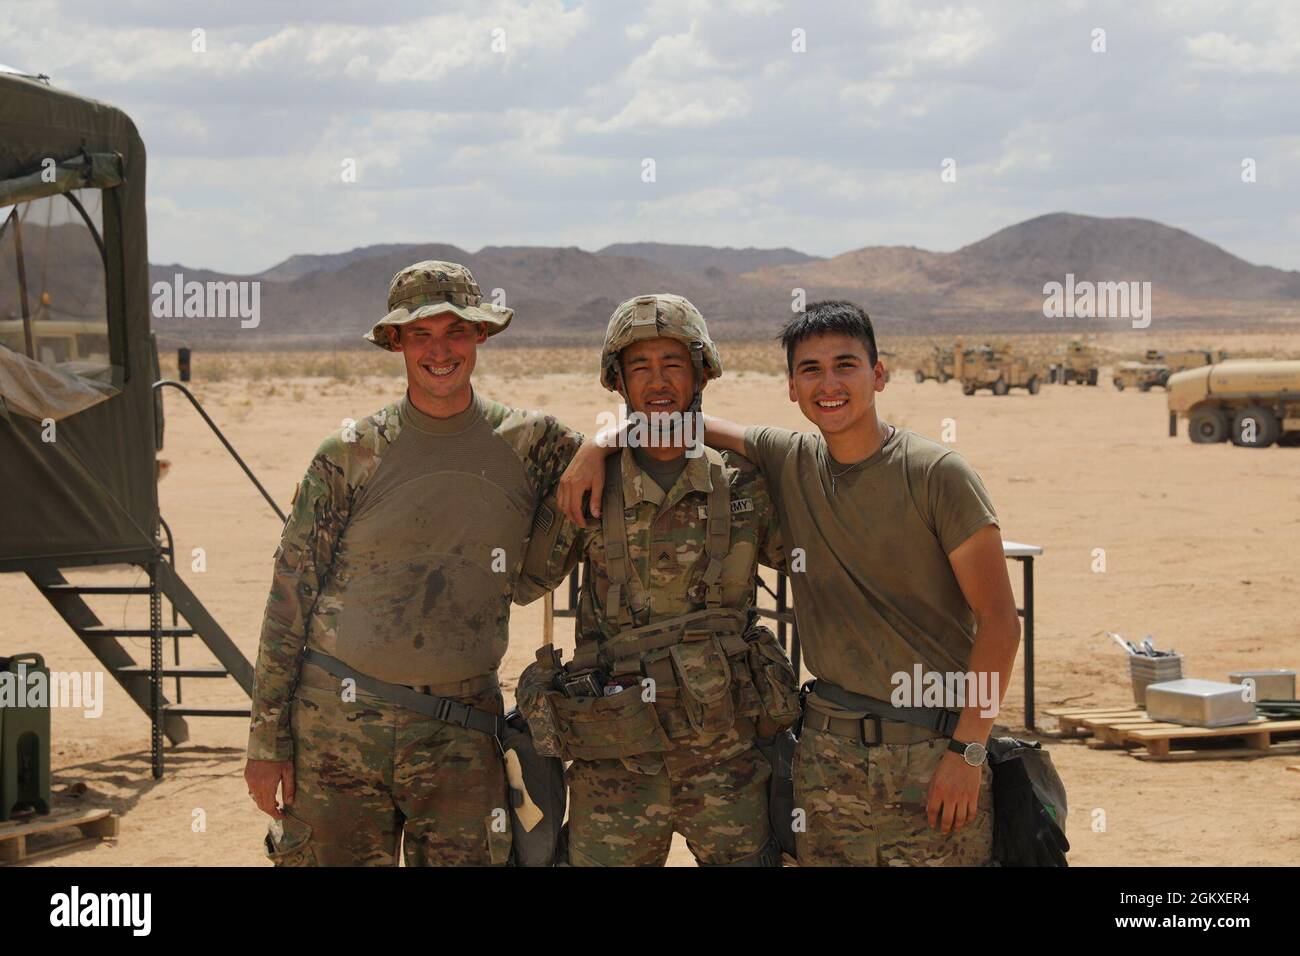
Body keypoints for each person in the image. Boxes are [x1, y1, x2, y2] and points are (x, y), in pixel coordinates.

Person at [558, 300, 1020, 866]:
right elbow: (676, 418)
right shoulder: (791, 460)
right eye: (811, 371)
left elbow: (1000, 622)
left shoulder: (936, 474)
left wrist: (969, 751)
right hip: (828, 758)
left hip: (930, 750)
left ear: (879, 374)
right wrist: (598, 443)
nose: (829, 385)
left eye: (845, 365)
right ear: (792, 389)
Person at [244, 260, 582, 866]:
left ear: (481, 335)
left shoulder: (535, 444)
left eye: (455, 331)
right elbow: (287, 599)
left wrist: (604, 446)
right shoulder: (349, 454)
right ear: (396, 342)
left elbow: (610, 468)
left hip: (461, 730)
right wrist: (267, 740)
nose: (439, 351)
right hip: (337, 729)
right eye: (420, 335)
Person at [514, 293, 799, 866]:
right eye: (639, 366)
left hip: (728, 758)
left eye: (673, 364)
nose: (658, 380)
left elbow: (825, 562)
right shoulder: (587, 482)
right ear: (618, 381)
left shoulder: (745, 481)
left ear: (700, 373)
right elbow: (526, 580)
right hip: (615, 760)